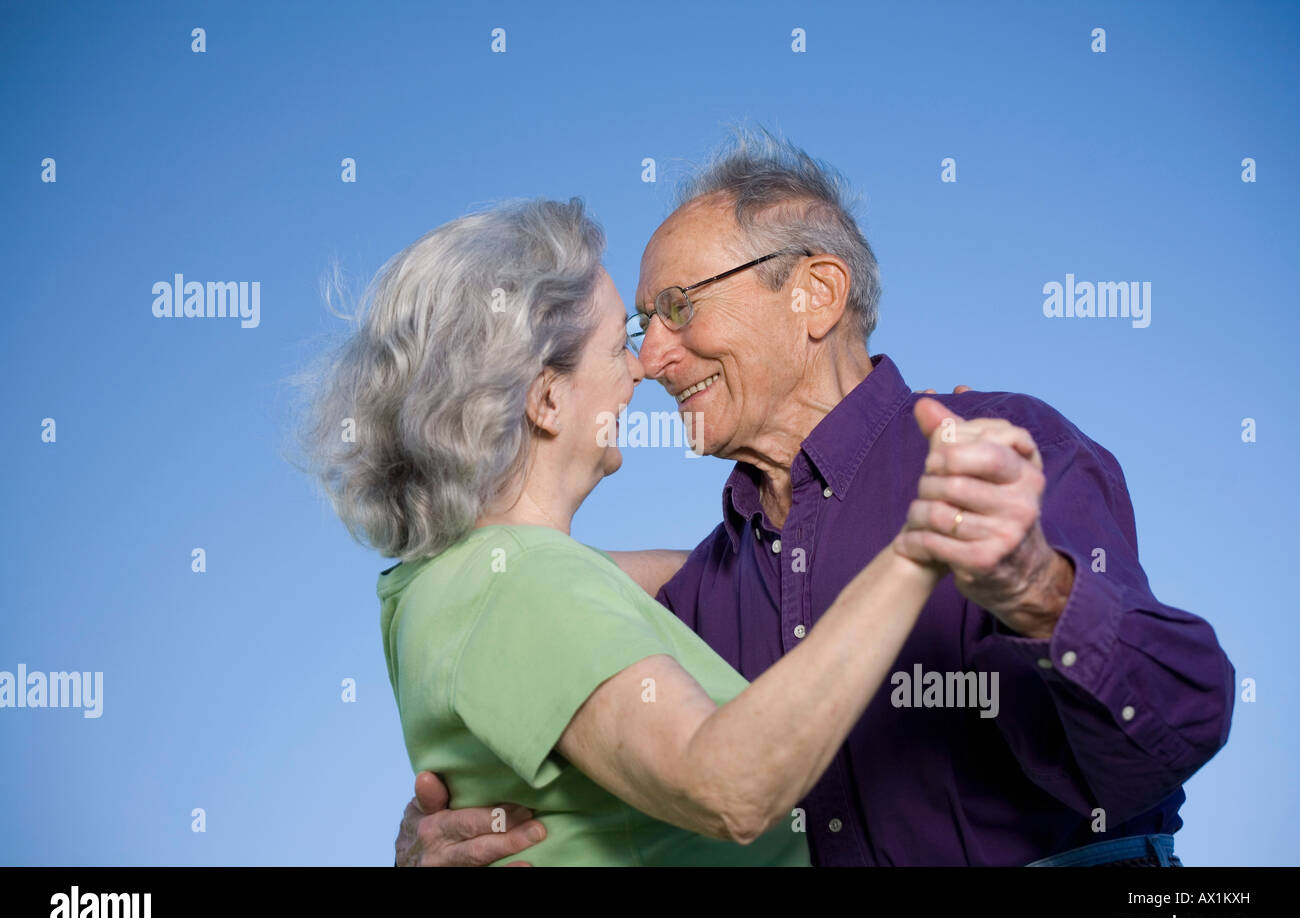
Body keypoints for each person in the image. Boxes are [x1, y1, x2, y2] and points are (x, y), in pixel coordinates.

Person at [397, 130, 1234, 867]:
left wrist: (1041, 593)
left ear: (816, 296)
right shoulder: (701, 596)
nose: (650, 360)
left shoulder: (996, 449)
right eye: (643, 323)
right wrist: (441, 835)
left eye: (679, 308)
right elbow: (536, 622)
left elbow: (1176, 731)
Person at [301, 195, 1036, 865]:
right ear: (548, 400)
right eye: (618, 345)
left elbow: (676, 578)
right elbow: (729, 788)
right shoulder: (524, 587)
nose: (642, 369)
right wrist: (921, 542)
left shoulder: (458, 584)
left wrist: (853, 507)